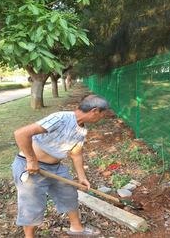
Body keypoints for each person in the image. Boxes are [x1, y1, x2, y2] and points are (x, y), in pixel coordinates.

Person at [12, 95, 110, 238]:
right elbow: (20, 134)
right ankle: (29, 236)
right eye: (103, 114)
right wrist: (31, 160)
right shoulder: (61, 118)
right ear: (95, 111)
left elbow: (76, 154)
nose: (102, 117)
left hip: (55, 168)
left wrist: (82, 178)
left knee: (68, 193)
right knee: (32, 203)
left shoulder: (82, 129)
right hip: (30, 166)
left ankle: (76, 227)